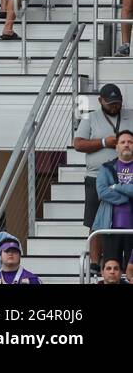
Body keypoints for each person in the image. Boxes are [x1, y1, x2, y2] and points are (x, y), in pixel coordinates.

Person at [75, 84, 133, 272]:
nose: (114, 106)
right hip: (97, 175)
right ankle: (94, 261)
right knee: (95, 220)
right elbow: (78, 144)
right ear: (100, 101)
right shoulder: (90, 117)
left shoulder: (130, 115)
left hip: (127, 172)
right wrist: (103, 142)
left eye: (117, 103)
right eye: (110, 103)